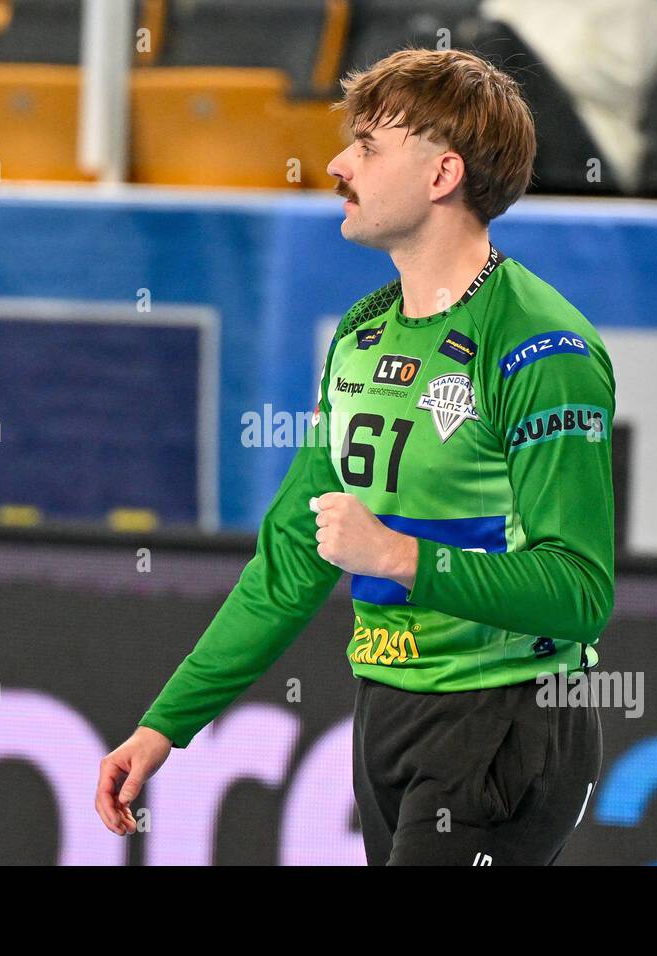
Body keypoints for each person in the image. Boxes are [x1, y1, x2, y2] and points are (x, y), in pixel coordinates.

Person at [96, 46, 615, 866]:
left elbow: (582, 593)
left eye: (369, 144)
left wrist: (403, 558)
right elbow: (293, 557)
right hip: (389, 712)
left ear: (443, 174)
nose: (338, 163)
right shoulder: (362, 333)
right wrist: (168, 723)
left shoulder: (540, 348)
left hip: (509, 716)